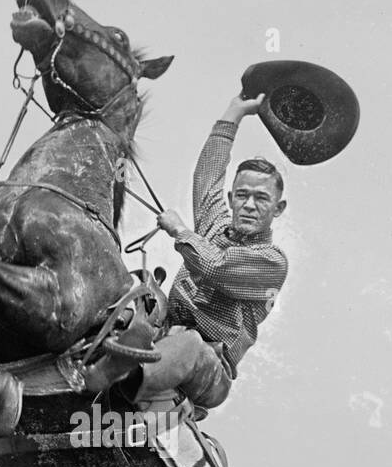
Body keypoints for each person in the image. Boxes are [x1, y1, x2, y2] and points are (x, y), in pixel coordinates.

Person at [101, 92, 289, 411]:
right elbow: (208, 173)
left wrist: (179, 231)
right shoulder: (214, 225)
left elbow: (216, 267)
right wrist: (235, 111)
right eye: (242, 195)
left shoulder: (272, 263)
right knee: (118, 299)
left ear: (278, 208)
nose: (249, 205)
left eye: (261, 199)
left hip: (209, 368)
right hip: (161, 330)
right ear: (230, 200)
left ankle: (115, 389)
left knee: (189, 344)